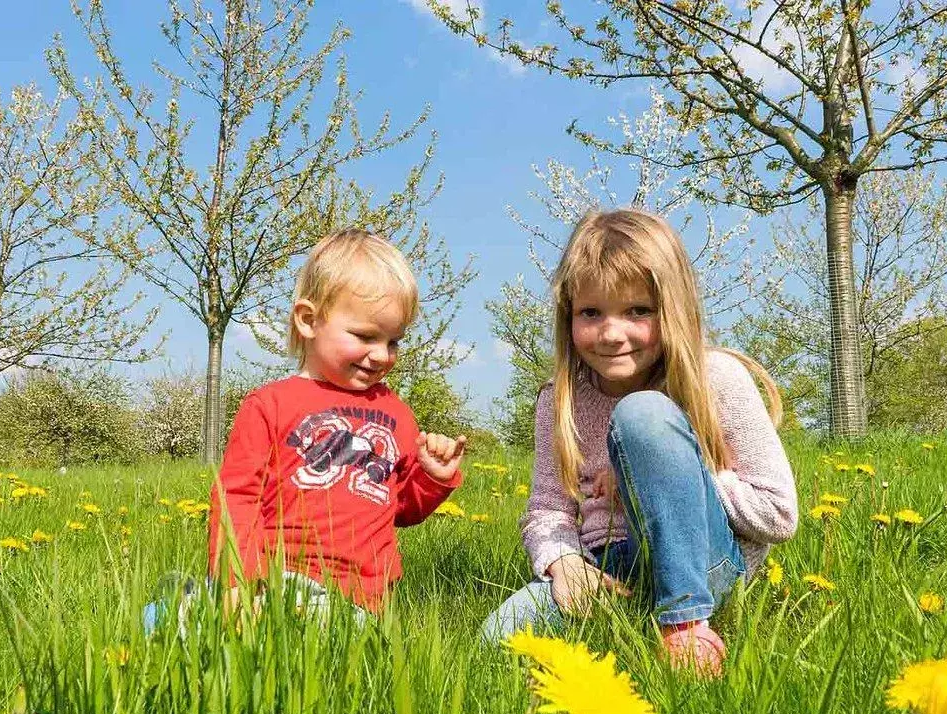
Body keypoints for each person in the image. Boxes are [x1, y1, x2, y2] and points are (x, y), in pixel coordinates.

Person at [482, 210, 797, 677]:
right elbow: (547, 510)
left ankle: (685, 624)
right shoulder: (558, 400)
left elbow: (779, 514)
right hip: (609, 567)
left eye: (638, 311)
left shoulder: (719, 379)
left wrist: (674, 470)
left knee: (643, 415)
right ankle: (633, 614)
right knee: (498, 638)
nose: (612, 334)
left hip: (707, 564)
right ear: (568, 315)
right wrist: (565, 562)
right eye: (591, 312)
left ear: (673, 310)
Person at [195, 229, 466, 624]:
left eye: (393, 342)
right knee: (186, 615)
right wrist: (238, 581)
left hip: (359, 600)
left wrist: (432, 478)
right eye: (365, 336)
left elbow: (401, 507)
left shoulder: (396, 414)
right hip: (273, 580)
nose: (381, 355)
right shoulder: (269, 406)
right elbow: (237, 498)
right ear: (308, 320)